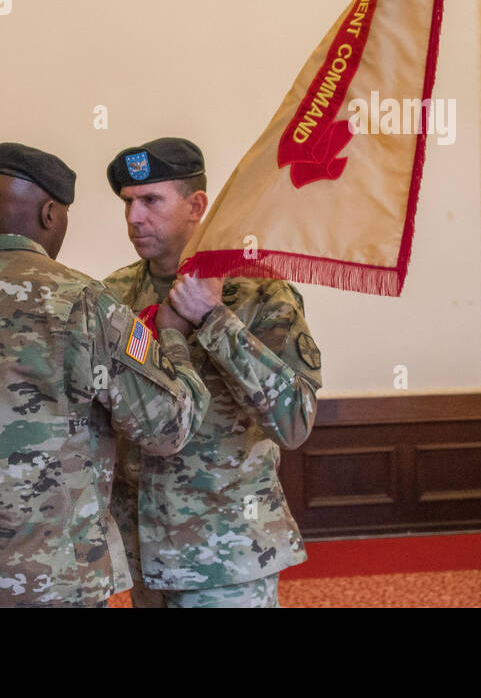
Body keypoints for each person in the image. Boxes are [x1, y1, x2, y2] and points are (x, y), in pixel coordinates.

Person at [0, 143, 209, 607]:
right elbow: (167, 426)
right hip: (56, 582)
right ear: (51, 214)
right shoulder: (85, 305)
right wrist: (174, 341)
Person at [104, 138, 322, 608]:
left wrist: (213, 319)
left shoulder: (260, 292)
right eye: (127, 203)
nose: (133, 218)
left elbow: (294, 421)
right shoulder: (115, 295)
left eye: (150, 201)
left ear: (196, 204)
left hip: (227, 552)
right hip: (144, 549)